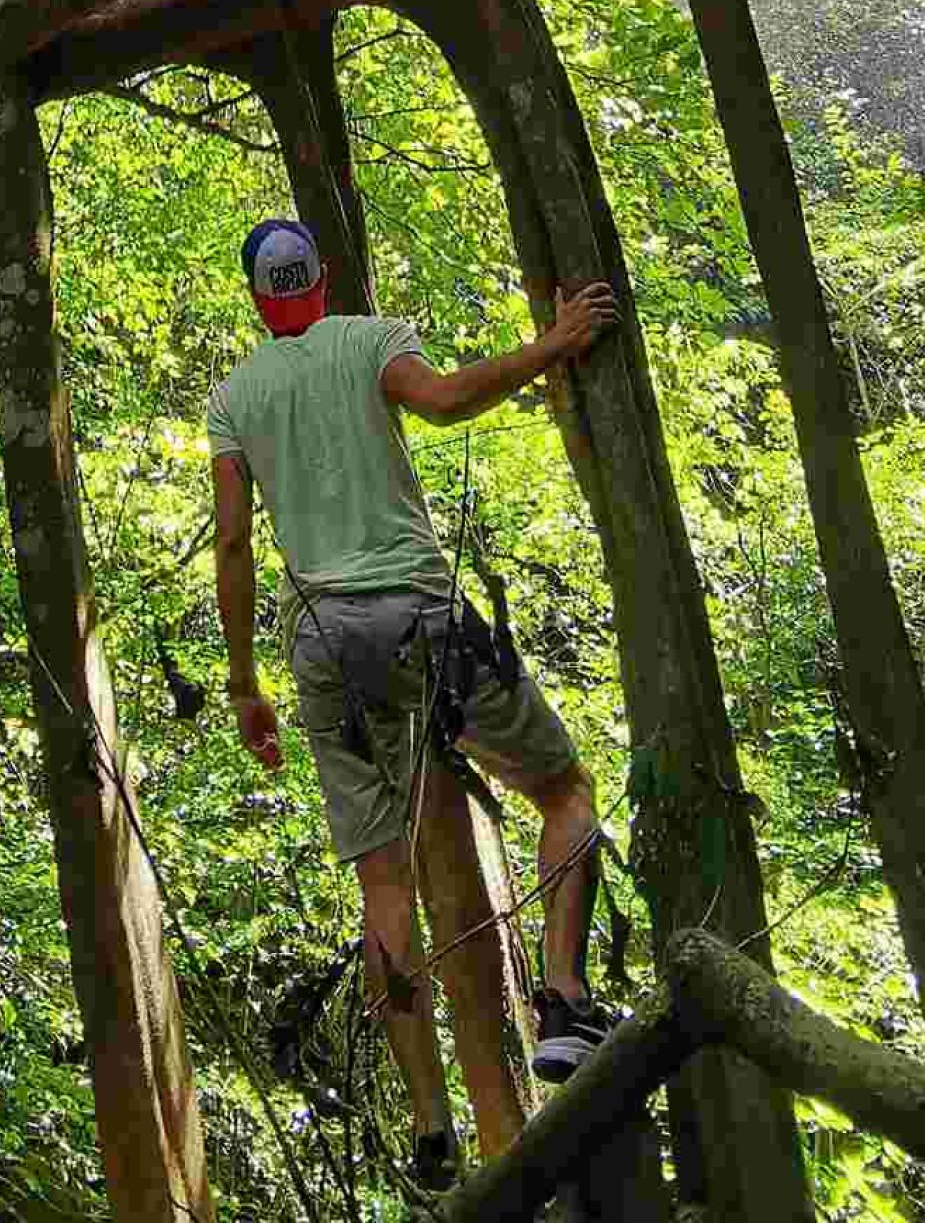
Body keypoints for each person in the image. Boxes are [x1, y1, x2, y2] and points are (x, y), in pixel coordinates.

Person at [206, 218, 619, 1191]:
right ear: (322, 281)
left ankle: (432, 1127)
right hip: (421, 620)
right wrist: (553, 345)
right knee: (565, 792)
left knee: (384, 889)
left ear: (260, 301)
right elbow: (441, 400)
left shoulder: (236, 399)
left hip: (319, 646)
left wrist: (242, 686)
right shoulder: (372, 341)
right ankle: (562, 1000)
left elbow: (231, 545)